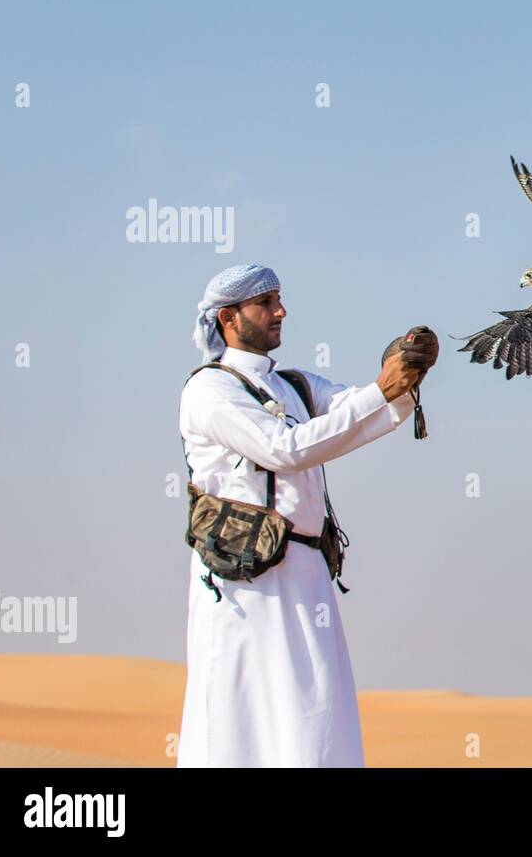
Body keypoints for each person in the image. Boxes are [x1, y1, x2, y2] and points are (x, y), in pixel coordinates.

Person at [176, 263, 438, 767]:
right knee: (239, 717)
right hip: (243, 581)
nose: (281, 310)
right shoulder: (210, 390)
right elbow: (285, 449)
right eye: (266, 302)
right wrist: (380, 391)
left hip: (306, 575)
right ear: (229, 318)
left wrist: (404, 372)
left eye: (279, 298)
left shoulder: (293, 384)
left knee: (315, 715)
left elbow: (359, 412)